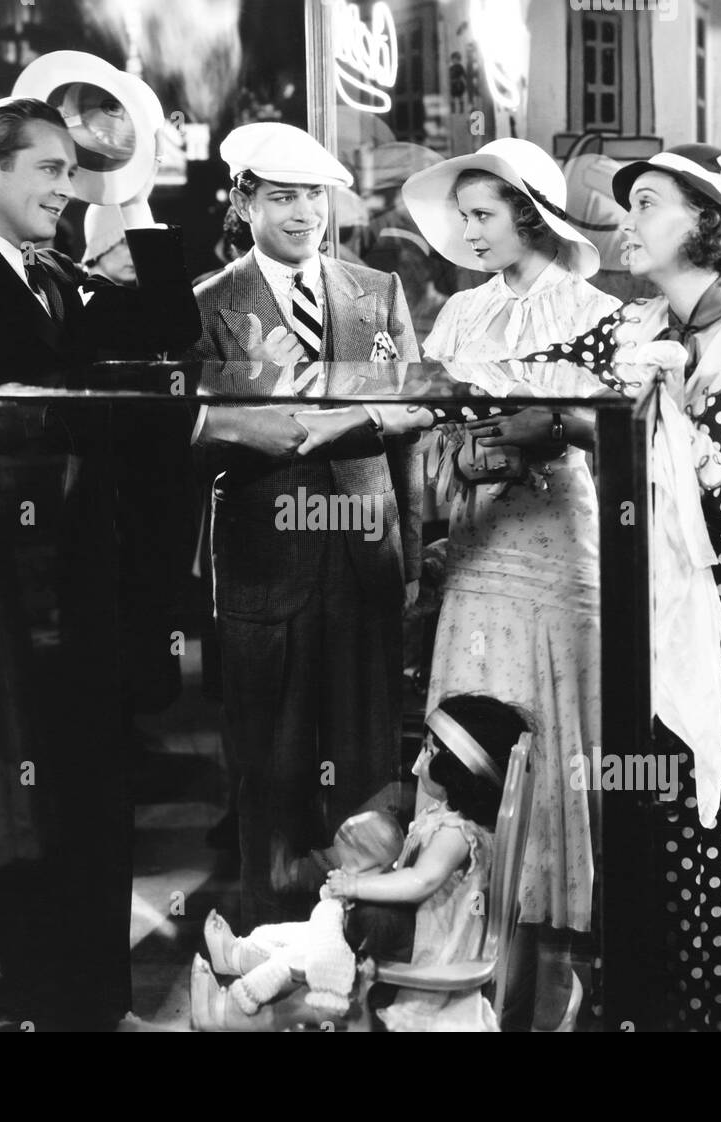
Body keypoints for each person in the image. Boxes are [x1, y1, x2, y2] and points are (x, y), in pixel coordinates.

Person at [0, 95, 199, 1025]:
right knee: (14, 801)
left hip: (74, 579)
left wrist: (135, 199)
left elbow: (169, 324)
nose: (66, 190)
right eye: (48, 169)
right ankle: (19, 1000)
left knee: (90, 789)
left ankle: (90, 997)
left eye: (75, 173)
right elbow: (17, 413)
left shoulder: (54, 275)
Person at [530, 143, 721, 1030]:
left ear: (709, 223)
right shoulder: (633, 324)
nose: (630, 220)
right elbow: (534, 371)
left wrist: (684, 419)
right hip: (643, 610)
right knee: (656, 814)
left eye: (649, 203)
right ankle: (662, 1006)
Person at [401, 138, 621, 1032]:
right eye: (464, 215)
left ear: (530, 214)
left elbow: (617, 444)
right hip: (481, 549)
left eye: (484, 214)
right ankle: (457, 970)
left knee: (557, 743)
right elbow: (423, 433)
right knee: (472, 733)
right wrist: (456, 449)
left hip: (561, 551)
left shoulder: (601, 313)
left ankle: (564, 974)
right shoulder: (457, 315)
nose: (469, 231)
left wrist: (543, 431)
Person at [186, 121, 423, 927]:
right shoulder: (209, 305)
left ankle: (367, 941)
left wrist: (414, 550)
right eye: (281, 197)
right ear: (244, 200)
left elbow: (416, 418)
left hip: (367, 545)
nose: (302, 215)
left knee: (367, 758)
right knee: (270, 760)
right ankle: (271, 944)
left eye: (313, 198)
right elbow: (192, 434)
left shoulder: (377, 289)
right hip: (263, 556)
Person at [191, 694, 527, 1032]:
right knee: (320, 931)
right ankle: (238, 959)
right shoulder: (445, 820)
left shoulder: (456, 832)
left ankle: (235, 1014)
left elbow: (420, 881)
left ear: (457, 770)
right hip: (411, 936)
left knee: (325, 946)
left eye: (428, 753)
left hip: (426, 953)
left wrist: (356, 885)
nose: (416, 764)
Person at [193, 810, 407, 1029]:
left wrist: (364, 957)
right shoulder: (369, 885)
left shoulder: (381, 909)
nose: (343, 869)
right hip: (337, 941)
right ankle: (234, 954)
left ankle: (234, 1008)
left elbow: (374, 946)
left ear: (383, 866)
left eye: (350, 864)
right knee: (276, 935)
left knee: (286, 960)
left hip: (348, 971)